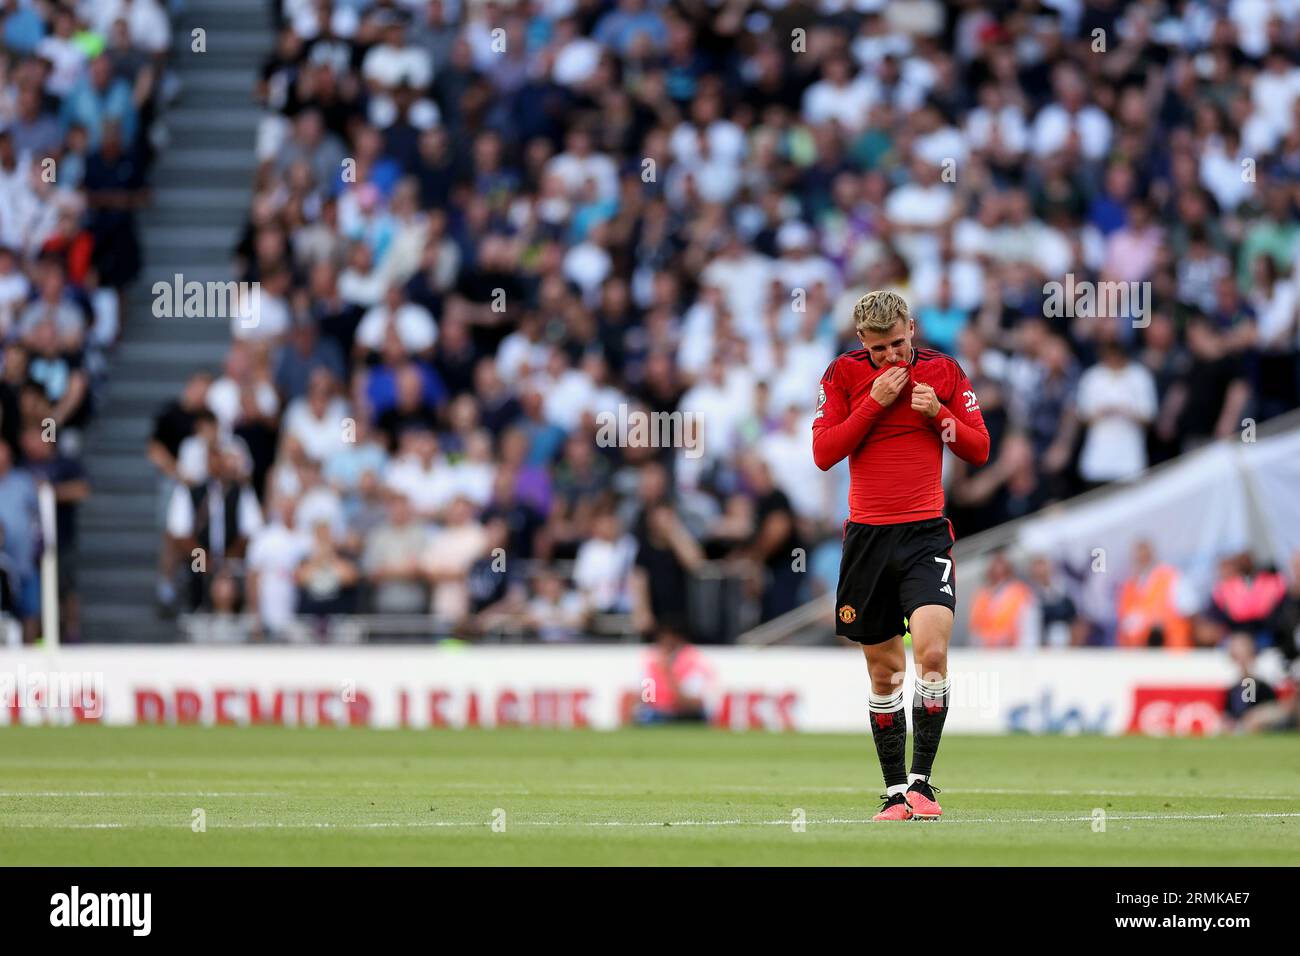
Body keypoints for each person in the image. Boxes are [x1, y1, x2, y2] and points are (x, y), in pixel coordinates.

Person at [811, 290, 989, 821]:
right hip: (867, 539)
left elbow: (978, 447)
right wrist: (874, 403)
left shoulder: (944, 370)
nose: (893, 357)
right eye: (881, 348)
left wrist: (938, 413)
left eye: (900, 343)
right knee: (884, 673)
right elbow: (824, 454)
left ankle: (922, 785)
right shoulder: (841, 375)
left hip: (924, 535)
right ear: (861, 342)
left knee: (931, 656)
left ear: (912, 327)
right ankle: (892, 793)